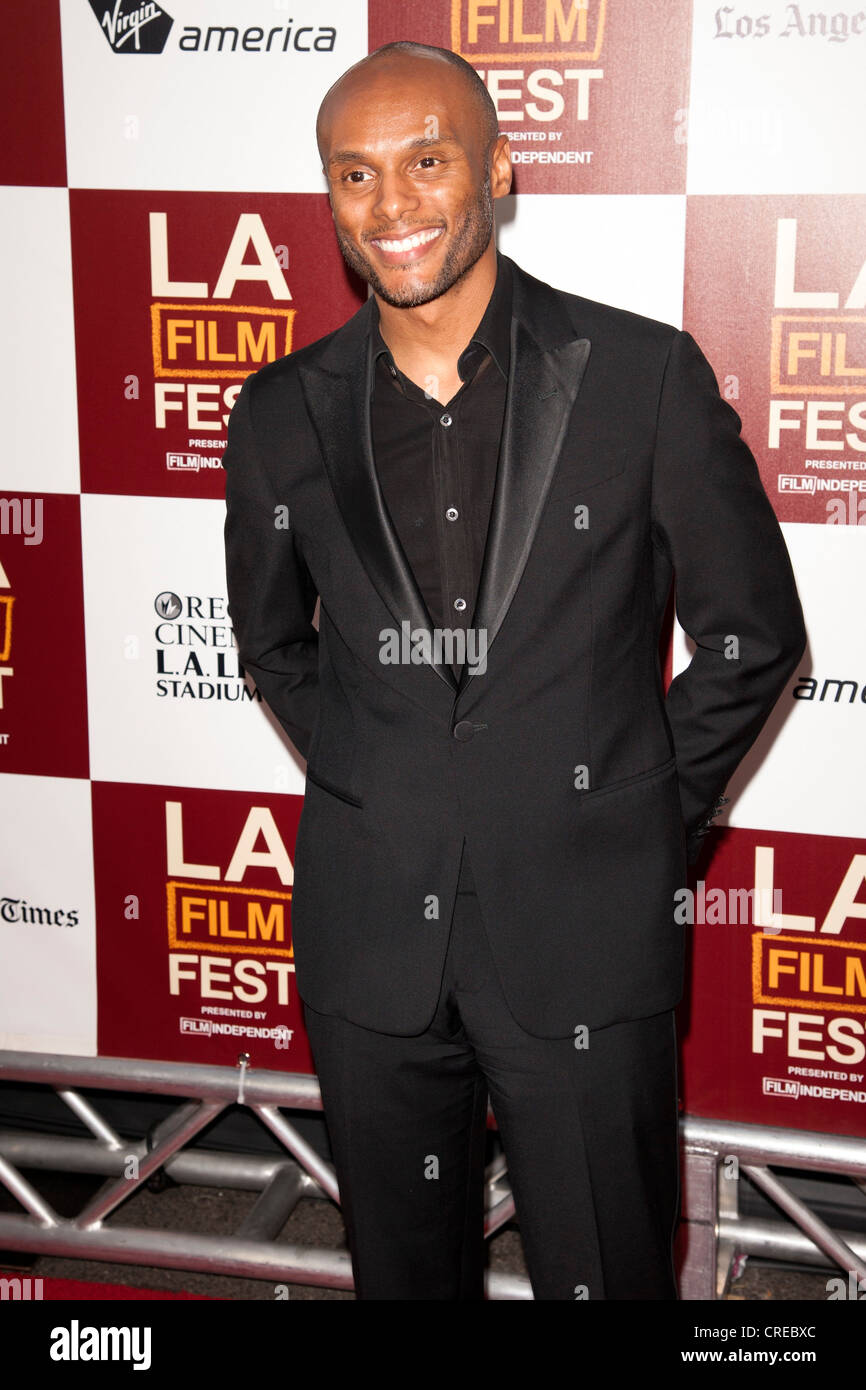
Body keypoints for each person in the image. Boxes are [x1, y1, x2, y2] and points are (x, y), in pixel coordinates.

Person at [221, 40, 806, 1300]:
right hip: (371, 935)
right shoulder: (279, 413)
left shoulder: (639, 377)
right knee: (402, 1274)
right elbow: (270, 640)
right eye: (354, 176)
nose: (392, 208)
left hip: (586, 929)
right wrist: (388, 777)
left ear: (495, 166)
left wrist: (641, 809)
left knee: (605, 1271)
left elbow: (752, 634)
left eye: (425, 162)